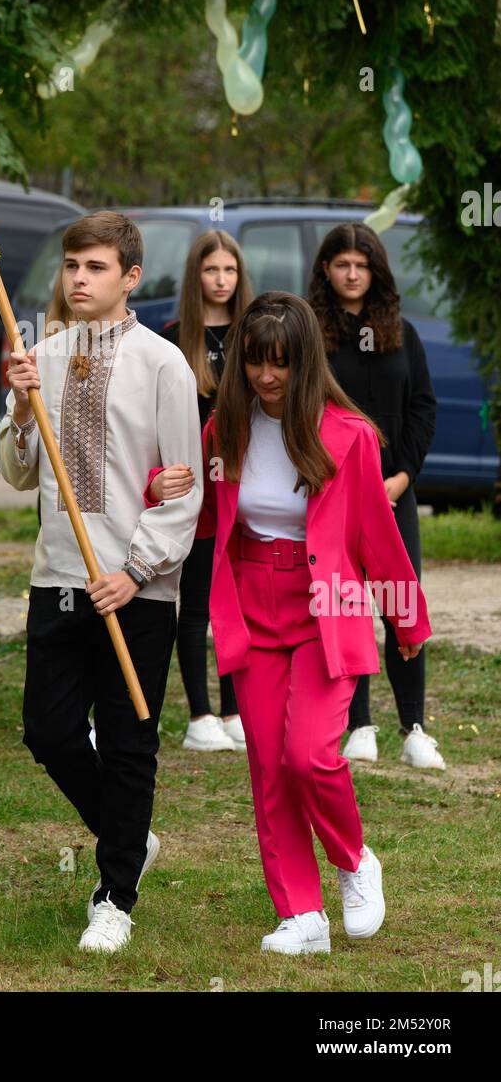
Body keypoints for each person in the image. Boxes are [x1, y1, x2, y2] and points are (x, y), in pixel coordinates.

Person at [145, 293, 432, 954]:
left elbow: (375, 537)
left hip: (325, 612)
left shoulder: (349, 435)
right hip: (252, 612)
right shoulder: (226, 431)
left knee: (308, 756)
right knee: (269, 771)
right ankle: (300, 914)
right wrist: (155, 486)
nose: (265, 376)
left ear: (304, 363)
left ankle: (355, 861)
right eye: (253, 361)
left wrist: (406, 620)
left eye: (279, 363)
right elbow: (202, 515)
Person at [0, 211, 202, 954]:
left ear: (129, 278)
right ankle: (130, 835)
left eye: (94, 268)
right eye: (70, 266)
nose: (77, 279)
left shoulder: (162, 365)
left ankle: (115, 894)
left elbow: (183, 490)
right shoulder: (40, 357)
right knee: (47, 732)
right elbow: (20, 473)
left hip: (136, 588)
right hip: (56, 574)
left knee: (127, 739)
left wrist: (135, 570)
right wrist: (20, 407)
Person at [308, 223, 442, 770]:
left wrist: (402, 477)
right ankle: (359, 724)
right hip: (335, 494)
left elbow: (423, 408)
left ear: (376, 271)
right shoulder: (313, 333)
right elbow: (307, 412)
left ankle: (414, 726)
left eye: (362, 264)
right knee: (345, 605)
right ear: (326, 270)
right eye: (342, 263)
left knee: (399, 601)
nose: (352, 273)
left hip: (393, 494)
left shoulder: (402, 333)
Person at [158, 228, 253, 754]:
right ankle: (200, 714)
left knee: (235, 603)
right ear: (196, 275)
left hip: (241, 485)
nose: (221, 280)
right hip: (196, 489)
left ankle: (236, 709)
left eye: (230, 270)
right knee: (195, 604)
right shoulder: (174, 338)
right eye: (211, 269)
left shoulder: (253, 335)